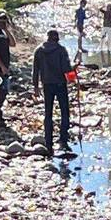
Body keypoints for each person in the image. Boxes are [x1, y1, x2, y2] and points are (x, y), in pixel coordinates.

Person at [33, 28, 74, 156]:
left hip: (46, 84)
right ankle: (63, 138)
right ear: (57, 38)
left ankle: (48, 140)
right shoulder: (61, 50)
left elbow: (35, 71)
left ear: (47, 37)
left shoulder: (39, 50)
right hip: (60, 84)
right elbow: (66, 69)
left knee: (48, 113)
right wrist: (73, 76)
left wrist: (35, 87)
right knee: (64, 111)